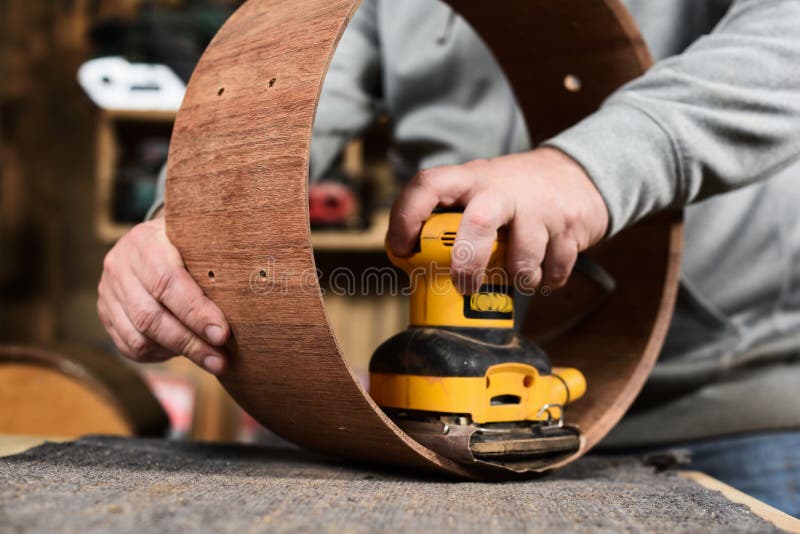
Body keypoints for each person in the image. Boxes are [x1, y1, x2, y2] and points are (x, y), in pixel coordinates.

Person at [97, 0, 800, 515]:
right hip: (452, 449)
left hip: (729, 419)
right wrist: (184, 229)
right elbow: (273, 95)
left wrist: (585, 168)